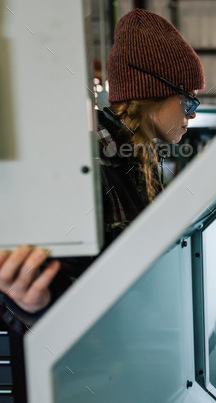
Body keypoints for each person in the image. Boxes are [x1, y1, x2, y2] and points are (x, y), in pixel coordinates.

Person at [0, 8, 205, 334]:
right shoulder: (88, 167)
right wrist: (34, 305)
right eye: (189, 101)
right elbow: (38, 293)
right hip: (92, 366)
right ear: (152, 92)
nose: (193, 115)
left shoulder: (140, 159)